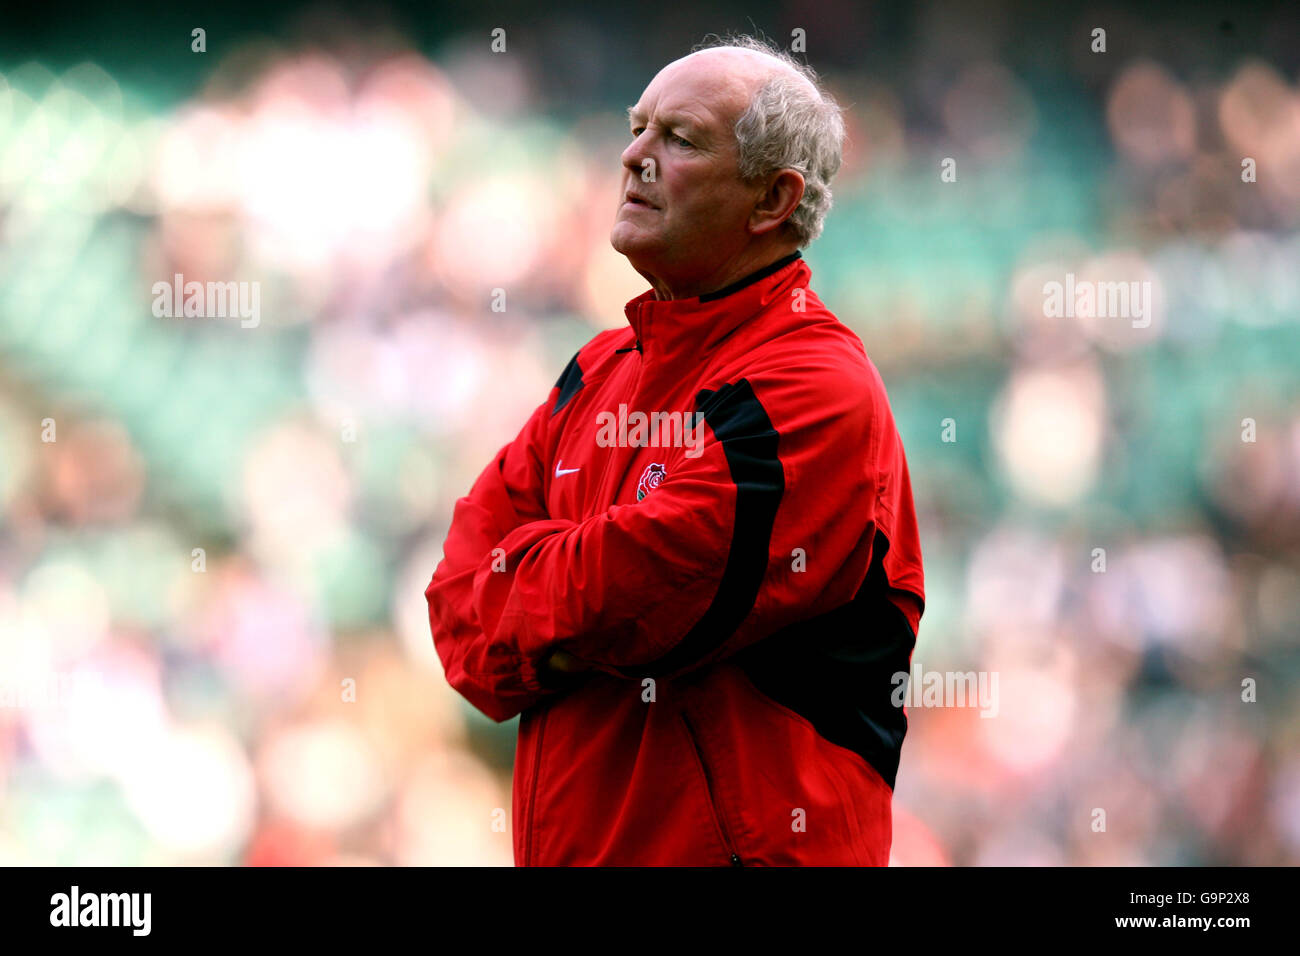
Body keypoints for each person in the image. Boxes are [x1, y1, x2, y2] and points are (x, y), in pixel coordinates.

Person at [426, 34, 925, 865]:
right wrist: (568, 588)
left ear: (773, 199)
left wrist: (534, 566)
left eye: (679, 139)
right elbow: (458, 613)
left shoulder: (816, 385)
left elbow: (647, 600)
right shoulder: (597, 369)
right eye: (636, 127)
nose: (632, 157)